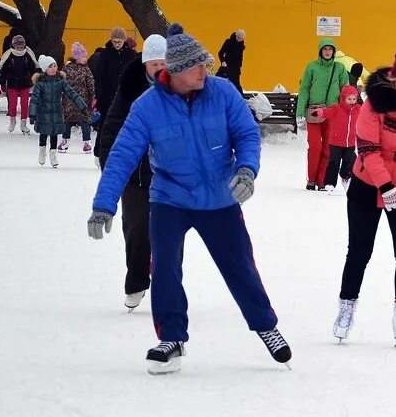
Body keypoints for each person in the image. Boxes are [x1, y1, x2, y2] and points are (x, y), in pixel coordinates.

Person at [88, 26, 290, 374]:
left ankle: (265, 326)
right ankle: (171, 339)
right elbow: (122, 155)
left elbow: (246, 134)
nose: (204, 71)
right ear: (176, 70)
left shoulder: (222, 92)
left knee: (240, 266)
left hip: (219, 197)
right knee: (164, 267)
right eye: (197, 66)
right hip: (170, 199)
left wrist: (246, 170)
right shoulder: (147, 107)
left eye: (205, 64)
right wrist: (103, 204)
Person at [331, 46, 396, 349]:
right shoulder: (375, 103)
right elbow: (367, 149)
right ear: (395, 75)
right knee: (359, 251)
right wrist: (386, 187)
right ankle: (346, 308)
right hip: (368, 185)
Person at [94, 32, 168, 311]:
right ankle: (137, 282)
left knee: (170, 234)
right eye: (154, 63)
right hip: (136, 173)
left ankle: (167, 286)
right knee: (136, 229)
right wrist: (108, 165)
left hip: (170, 176)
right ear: (145, 64)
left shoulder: (180, 88)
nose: (159, 68)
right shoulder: (130, 86)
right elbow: (112, 125)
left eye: (164, 63)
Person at [296, 37, 349, 190]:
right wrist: (300, 112)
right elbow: (304, 89)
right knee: (315, 147)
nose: (327, 52)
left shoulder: (339, 68)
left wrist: (346, 111)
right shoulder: (311, 67)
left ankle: (322, 181)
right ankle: (311, 179)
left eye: (330, 49)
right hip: (314, 112)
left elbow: (345, 91)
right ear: (320, 51)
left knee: (328, 148)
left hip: (332, 112)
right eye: (324, 49)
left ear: (334, 51)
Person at [29, 56, 87, 168]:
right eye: (50, 66)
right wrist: (32, 114)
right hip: (43, 112)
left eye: (55, 66)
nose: (53, 68)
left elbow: (72, 94)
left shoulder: (60, 81)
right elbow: (34, 99)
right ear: (45, 69)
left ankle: (53, 155)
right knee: (43, 134)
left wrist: (83, 107)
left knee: (54, 134)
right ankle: (42, 152)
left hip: (56, 111)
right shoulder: (40, 83)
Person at [91, 27, 138, 130]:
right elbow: (99, 76)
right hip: (107, 96)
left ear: (124, 40)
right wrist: (99, 95)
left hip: (126, 96)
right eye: (114, 42)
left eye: (119, 42)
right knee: (106, 126)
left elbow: (135, 75)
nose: (116, 44)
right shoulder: (105, 54)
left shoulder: (131, 54)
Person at [320, 84, 361, 194]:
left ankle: (346, 177)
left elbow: (368, 114)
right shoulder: (337, 108)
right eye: (349, 99)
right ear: (343, 98)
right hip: (335, 142)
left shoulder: (358, 109)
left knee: (349, 161)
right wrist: (320, 112)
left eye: (354, 99)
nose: (352, 101)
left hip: (350, 143)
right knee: (334, 162)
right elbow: (328, 112)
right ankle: (329, 183)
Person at [0, 34, 38, 135]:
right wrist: (2, 83)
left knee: (24, 104)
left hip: (25, 83)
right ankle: (12, 120)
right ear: (13, 45)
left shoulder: (27, 55)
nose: (19, 48)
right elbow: (4, 71)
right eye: (17, 46)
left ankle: (23, 123)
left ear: (24, 45)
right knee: (12, 103)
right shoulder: (9, 55)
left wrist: (36, 78)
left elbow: (32, 69)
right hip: (12, 84)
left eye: (21, 46)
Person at [60, 43, 96, 153]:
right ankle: (65, 141)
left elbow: (90, 83)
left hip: (81, 101)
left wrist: (93, 95)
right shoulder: (69, 68)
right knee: (69, 121)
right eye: (83, 56)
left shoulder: (84, 69)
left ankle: (86, 142)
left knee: (83, 121)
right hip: (72, 101)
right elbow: (62, 82)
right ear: (77, 57)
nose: (85, 58)